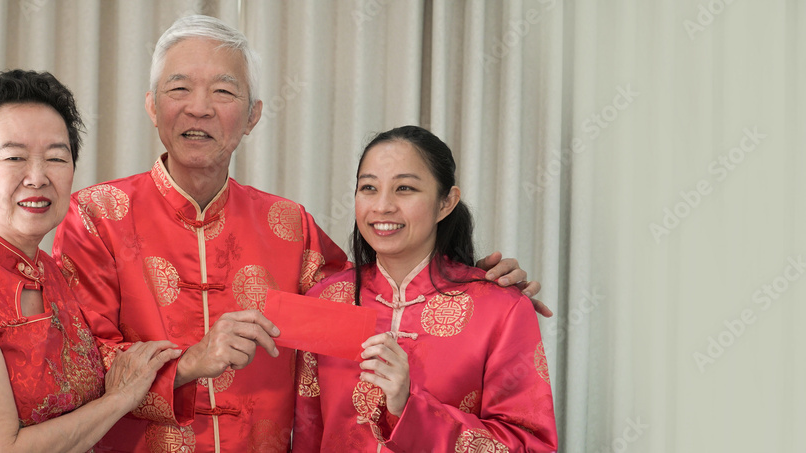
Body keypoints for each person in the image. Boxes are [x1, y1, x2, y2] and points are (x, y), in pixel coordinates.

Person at [53, 15, 542, 453]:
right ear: (152, 106)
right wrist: (188, 363)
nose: (199, 108)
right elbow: (79, 366)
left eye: (223, 91)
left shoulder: (289, 224)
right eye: (179, 88)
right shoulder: (97, 215)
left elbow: (374, 292)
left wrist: (470, 281)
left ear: (253, 115)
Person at [0, 70, 182, 452]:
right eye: (15, 157)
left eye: (56, 158)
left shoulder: (53, 274)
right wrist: (118, 400)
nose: (38, 176)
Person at [293, 126, 558, 452]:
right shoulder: (326, 300)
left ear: (446, 202)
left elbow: (531, 445)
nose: (382, 206)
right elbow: (307, 434)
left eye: (404, 188)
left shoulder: (501, 308)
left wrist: (410, 407)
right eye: (369, 188)